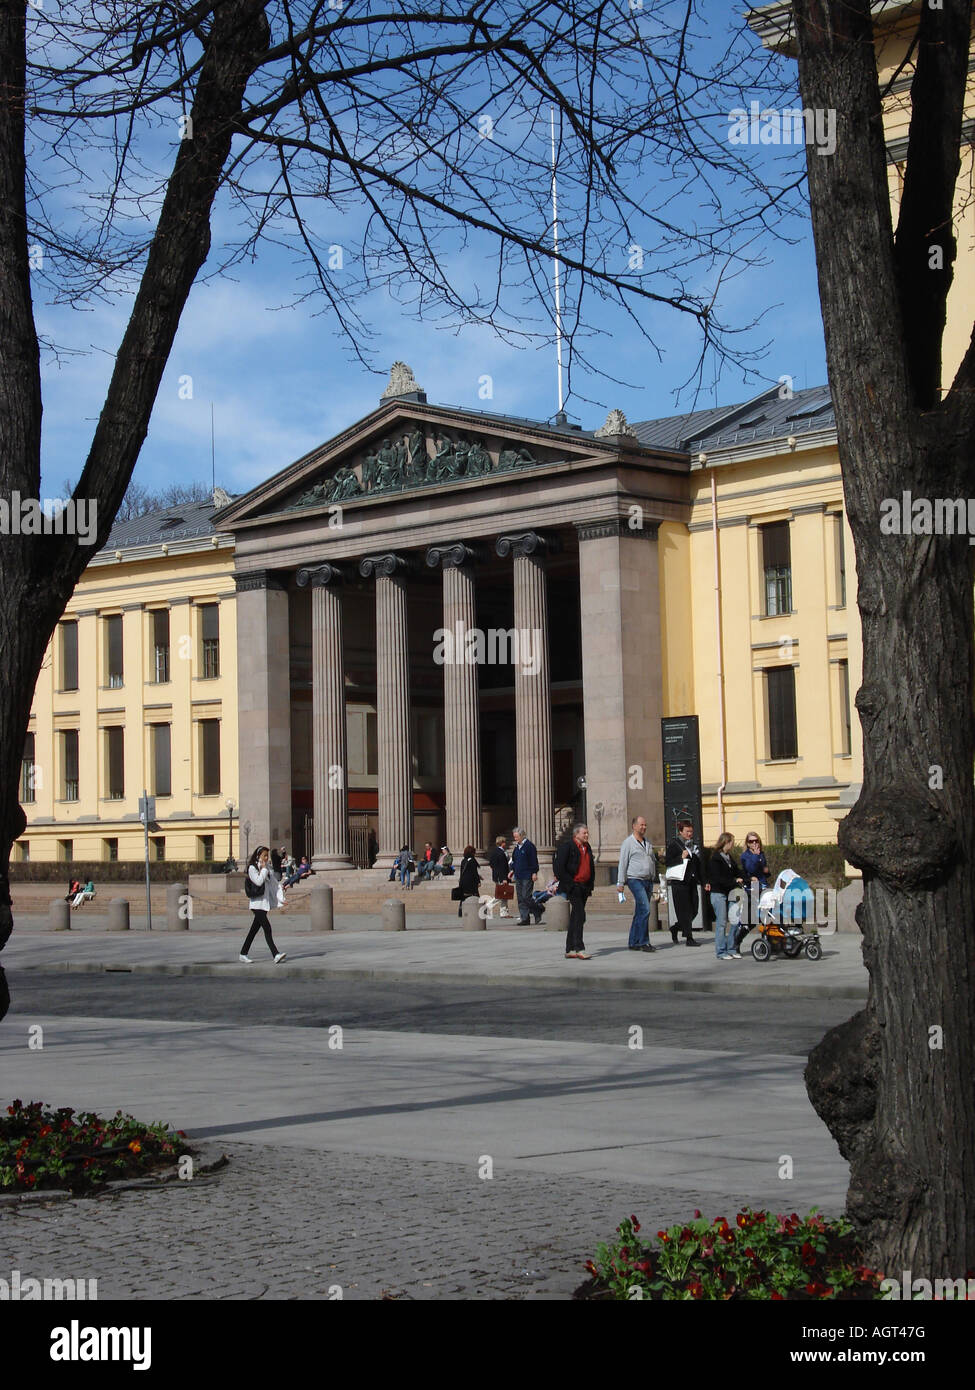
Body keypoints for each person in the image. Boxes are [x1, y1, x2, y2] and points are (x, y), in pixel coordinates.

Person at [554, 822, 595, 959]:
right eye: (584, 833)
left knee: (575, 917)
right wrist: (570, 884)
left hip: (584, 886)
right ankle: (579, 947)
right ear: (576, 834)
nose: (587, 835)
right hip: (573, 886)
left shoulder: (587, 847)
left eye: (587, 833)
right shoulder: (567, 847)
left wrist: (590, 885)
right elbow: (559, 868)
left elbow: (590, 866)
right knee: (580, 915)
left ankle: (570, 948)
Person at [617, 814, 657, 953]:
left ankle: (633, 942)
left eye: (645, 825)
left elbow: (651, 860)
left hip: (648, 879)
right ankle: (644, 941)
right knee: (645, 909)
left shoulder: (647, 842)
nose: (644, 827)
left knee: (640, 911)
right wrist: (620, 883)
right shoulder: (628, 843)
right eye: (641, 825)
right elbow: (623, 863)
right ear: (634, 826)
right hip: (635, 879)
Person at [239, 846, 287, 963]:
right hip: (256, 904)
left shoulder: (266, 867)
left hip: (264, 904)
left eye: (267, 856)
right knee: (267, 928)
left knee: (253, 931)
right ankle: (275, 954)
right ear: (258, 855)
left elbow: (274, 883)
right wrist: (264, 869)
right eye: (264, 855)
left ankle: (243, 953)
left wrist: (281, 895)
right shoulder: (252, 868)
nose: (266, 858)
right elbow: (259, 881)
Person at [706, 832, 744, 960]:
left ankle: (732, 948)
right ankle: (721, 951)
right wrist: (734, 881)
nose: (733, 844)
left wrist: (747, 878)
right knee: (721, 923)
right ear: (726, 842)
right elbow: (718, 878)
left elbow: (737, 871)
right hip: (718, 893)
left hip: (730, 892)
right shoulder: (715, 858)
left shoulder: (728, 857)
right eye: (732, 842)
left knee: (734, 921)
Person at [664, 819, 703, 946]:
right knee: (684, 911)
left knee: (694, 910)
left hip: (691, 882)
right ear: (680, 831)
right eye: (687, 831)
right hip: (679, 883)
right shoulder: (674, 845)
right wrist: (680, 857)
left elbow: (697, 865)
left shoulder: (692, 845)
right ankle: (689, 938)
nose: (690, 834)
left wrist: (703, 880)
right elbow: (667, 861)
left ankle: (675, 928)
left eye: (691, 831)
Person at [739, 831, 770, 948]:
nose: (754, 843)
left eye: (756, 840)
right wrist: (756, 856)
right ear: (747, 843)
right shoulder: (745, 855)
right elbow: (750, 869)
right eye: (751, 841)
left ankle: (766, 944)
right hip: (751, 889)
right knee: (751, 918)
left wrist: (766, 870)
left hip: (763, 886)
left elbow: (762, 869)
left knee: (766, 916)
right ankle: (737, 941)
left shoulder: (761, 854)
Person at [510, 826, 542, 924]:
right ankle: (525, 918)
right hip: (518, 875)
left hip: (527, 875)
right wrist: (512, 870)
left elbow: (533, 860)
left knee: (526, 896)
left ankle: (538, 909)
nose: (515, 839)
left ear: (522, 836)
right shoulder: (517, 848)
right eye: (514, 837)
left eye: (516, 837)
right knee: (520, 898)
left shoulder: (529, 846)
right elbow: (514, 860)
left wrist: (534, 872)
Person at [488, 834, 511, 918]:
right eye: (504, 842)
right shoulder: (501, 853)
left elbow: (491, 864)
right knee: (501, 895)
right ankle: (488, 905)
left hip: (497, 876)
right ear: (502, 843)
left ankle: (504, 913)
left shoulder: (494, 852)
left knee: (504, 895)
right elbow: (502, 867)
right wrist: (504, 878)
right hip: (502, 877)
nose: (506, 843)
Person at [455, 845, 481, 918]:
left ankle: (461, 912)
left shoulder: (463, 860)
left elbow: (462, 872)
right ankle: (479, 911)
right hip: (471, 882)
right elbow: (474, 872)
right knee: (476, 896)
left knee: (463, 897)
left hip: (463, 881)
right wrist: (478, 881)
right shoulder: (472, 861)